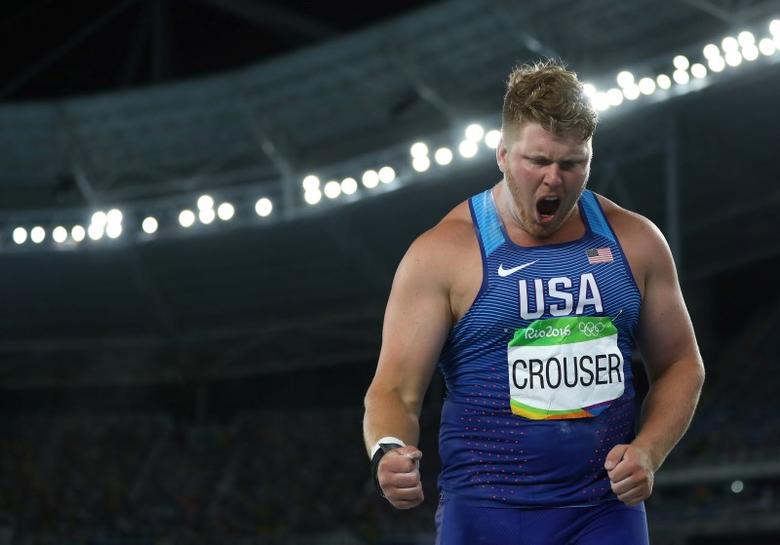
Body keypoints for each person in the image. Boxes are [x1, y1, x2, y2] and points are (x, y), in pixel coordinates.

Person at [362, 59, 705, 544]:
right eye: (538, 161)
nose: (554, 180)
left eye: (572, 164)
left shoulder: (635, 241)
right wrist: (390, 448)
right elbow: (395, 389)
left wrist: (649, 450)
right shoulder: (442, 254)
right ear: (502, 154)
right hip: (485, 514)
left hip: (603, 512)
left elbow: (680, 364)